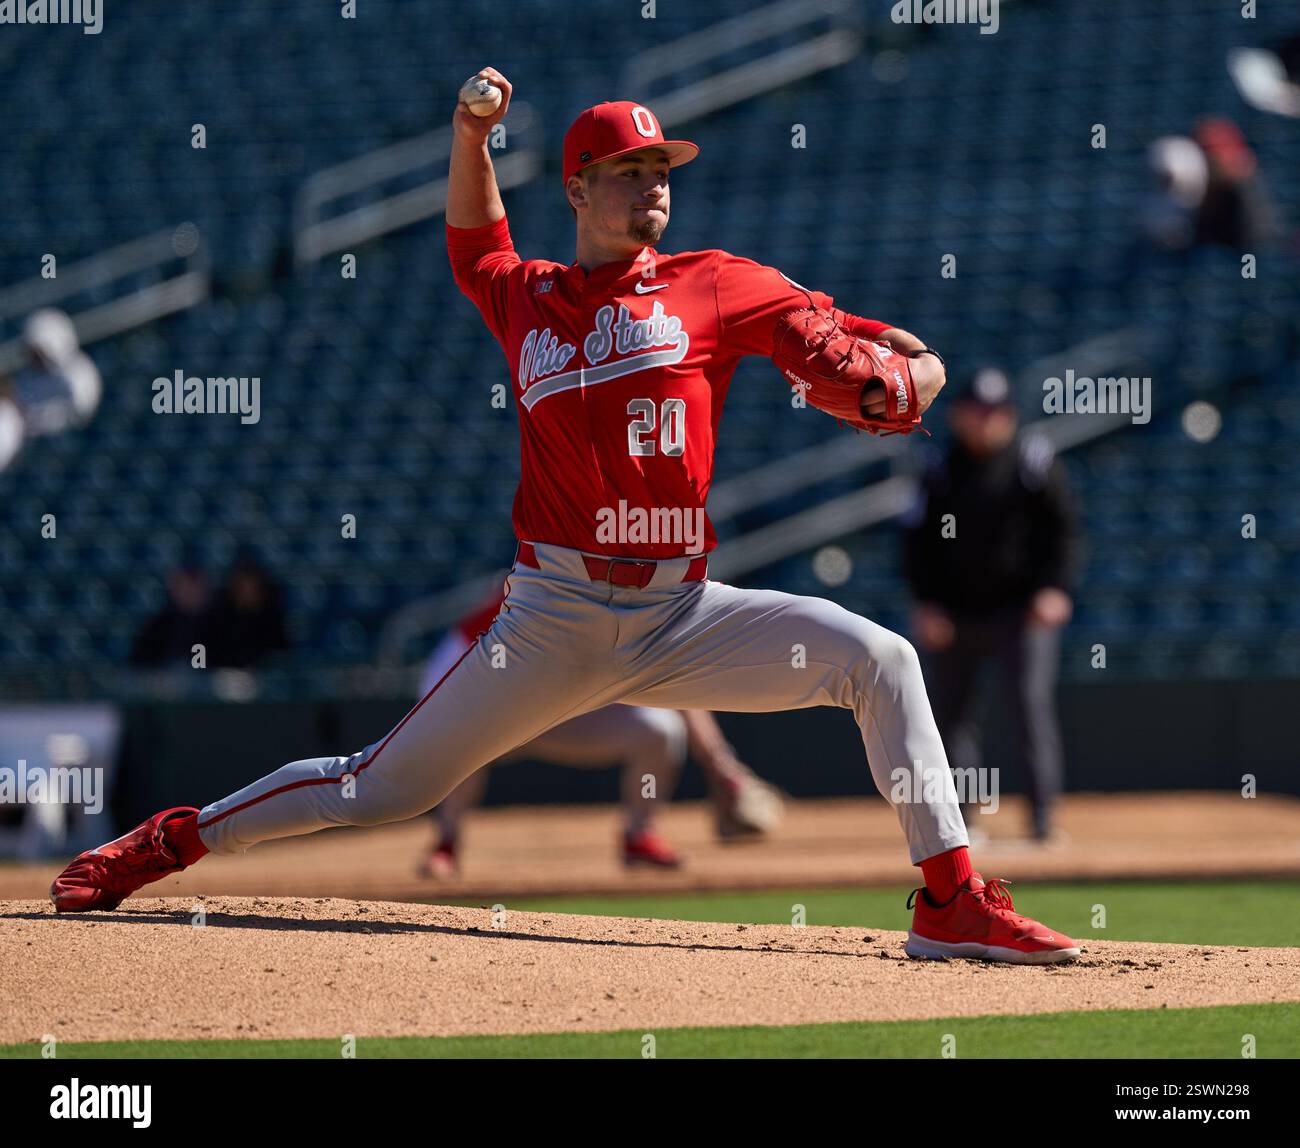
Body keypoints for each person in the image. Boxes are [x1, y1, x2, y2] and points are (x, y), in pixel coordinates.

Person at [49, 73, 1078, 964]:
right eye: (628, 170)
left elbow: (868, 367)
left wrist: (913, 379)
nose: (653, 183)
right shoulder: (526, 294)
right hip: (552, 615)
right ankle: (169, 841)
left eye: (661, 167)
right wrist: (469, 138)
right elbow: (472, 242)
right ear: (577, 190)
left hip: (683, 611)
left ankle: (949, 900)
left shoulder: (719, 283)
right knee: (377, 789)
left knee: (882, 659)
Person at [414, 584, 786, 876]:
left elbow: (672, 686)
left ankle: (639, 836)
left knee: (659, 732)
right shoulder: (548, 601)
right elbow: (444, 680)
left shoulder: (619, 610)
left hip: (559, 715)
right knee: (469, 733)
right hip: (492, 705)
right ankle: (446, 842)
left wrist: (723, 766)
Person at [901, 367, 1080, 842]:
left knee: (1029, 710)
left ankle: (1042, 819)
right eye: (976, 412)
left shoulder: (1032, 460)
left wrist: (1054, 588)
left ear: (1009, 416)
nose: (984, 422)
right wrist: (926, 603)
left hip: (1019, 612)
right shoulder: (938, 465)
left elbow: (1062, 530)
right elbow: (915, 541)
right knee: (952, 718)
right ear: (959, 415)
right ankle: (962, 819)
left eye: (994, 413)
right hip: (955, 614)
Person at [129, 562, 216, 668]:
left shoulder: (216, 624)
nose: (191, 594)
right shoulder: (159, 625)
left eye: (196, 589)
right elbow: (141, 664)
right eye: (186, 589)